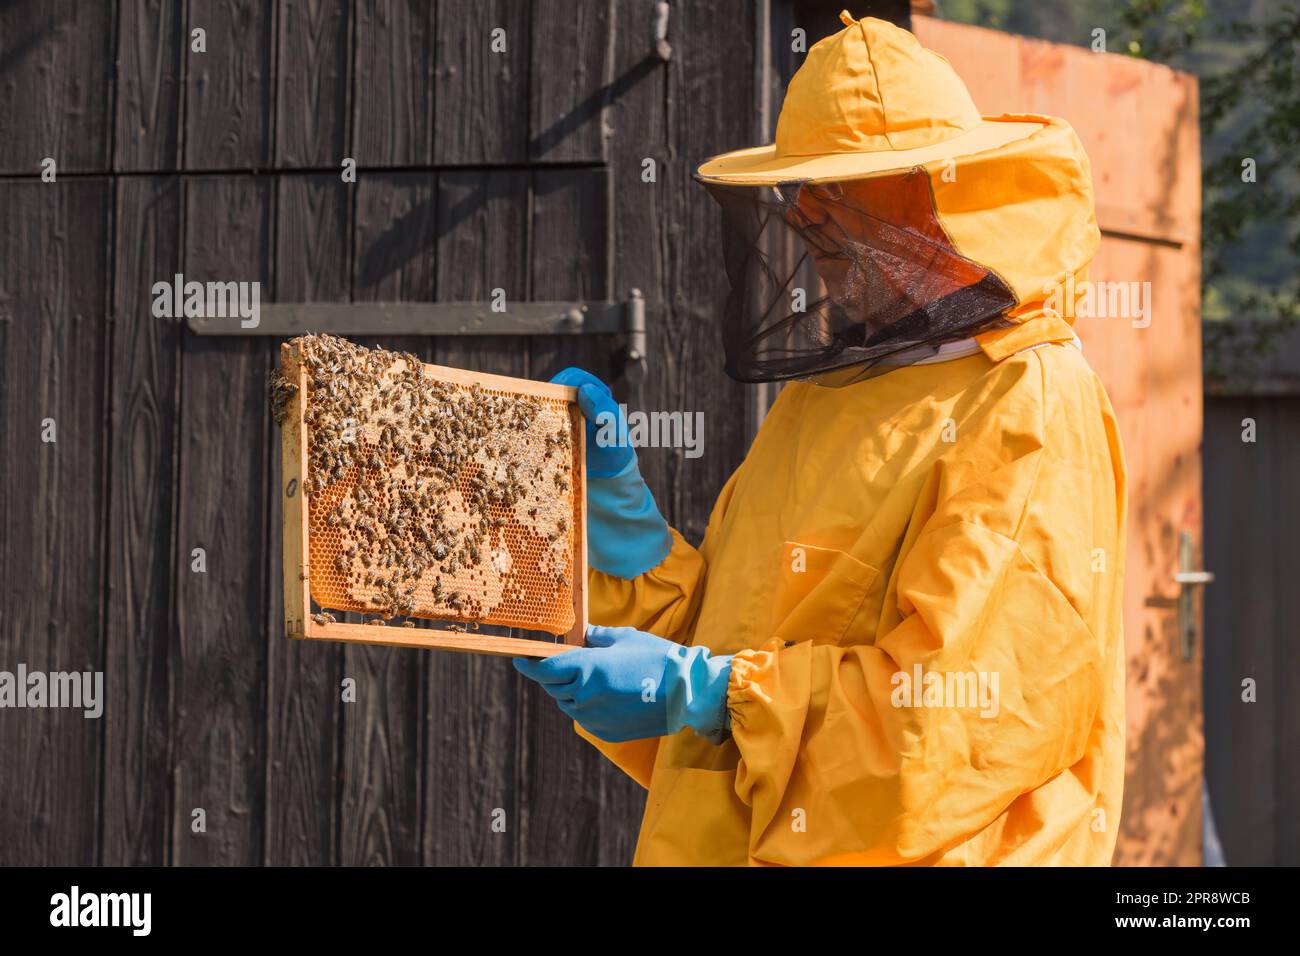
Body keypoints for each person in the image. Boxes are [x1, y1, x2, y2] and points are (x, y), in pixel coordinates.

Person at [514, 11, 1127, 866]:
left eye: (841, 188)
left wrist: (713, 696)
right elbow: (731, 657)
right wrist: (625, 553)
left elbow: (959, 725)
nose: (805, 215)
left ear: (937, 191)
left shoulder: (1028, 400)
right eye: (801, 189)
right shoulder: (828, 395)